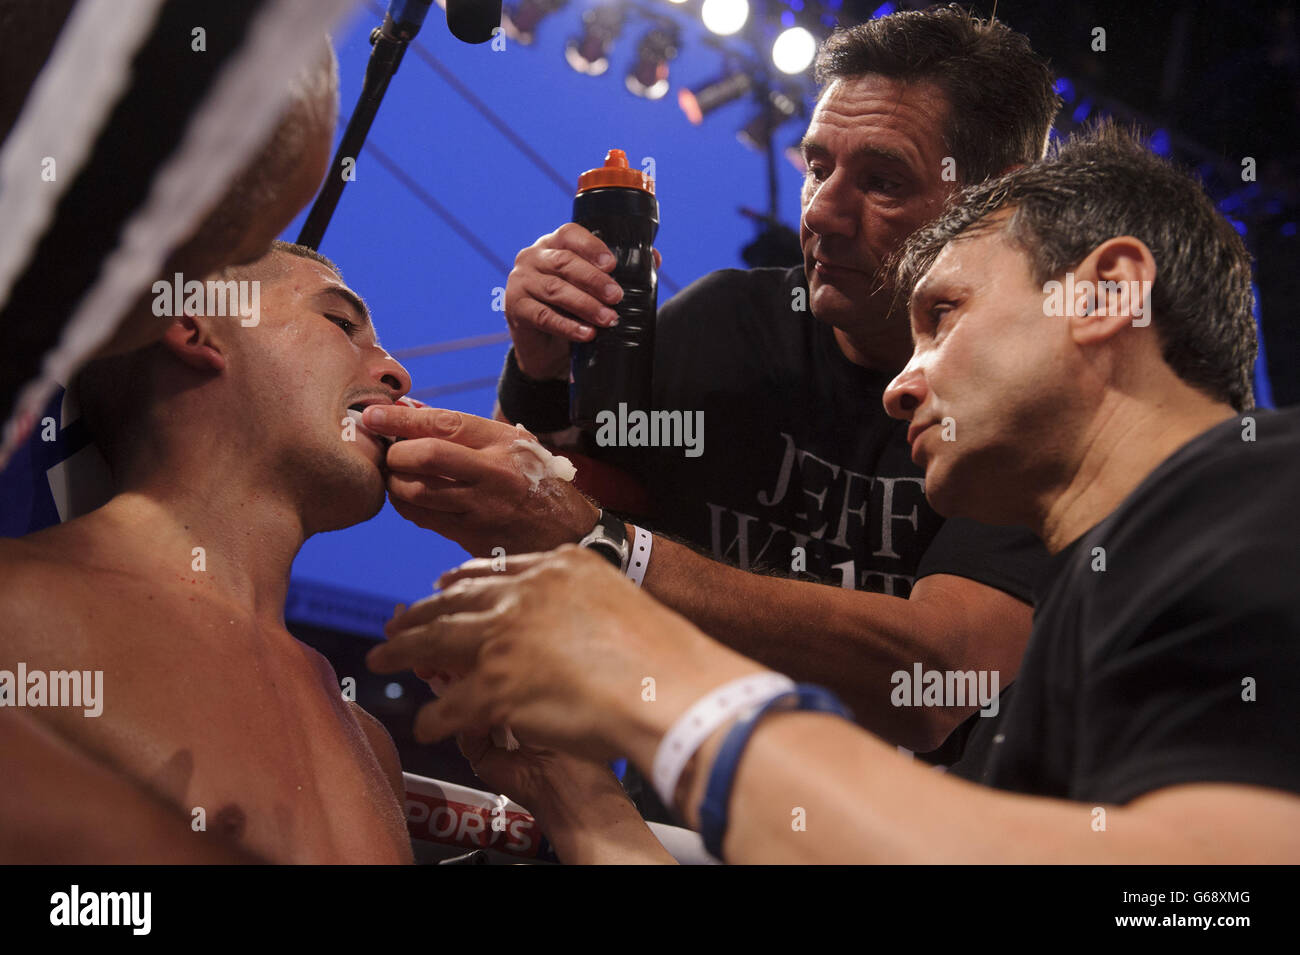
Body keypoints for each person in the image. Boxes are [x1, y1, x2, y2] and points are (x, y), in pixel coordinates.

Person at [367, 124, 1300, 863]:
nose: (902, 381)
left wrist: (684, 691)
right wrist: (585, 804)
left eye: (943, 315)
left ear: (1104, 296)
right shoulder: (1086, 620)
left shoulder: (1263, 498)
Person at [373, 6, 1061, 755]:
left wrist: (606, 547)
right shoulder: (726, 323)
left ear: (999, 201)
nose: (823, 211)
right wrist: (539, 368)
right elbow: (528, 545)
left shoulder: (1036, 402)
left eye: (883, 180)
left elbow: (935, 680)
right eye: (818, 165)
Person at [0, 242, 673, 864]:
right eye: (342, 324)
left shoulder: (365, 740)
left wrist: (581, 799)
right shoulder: (18, 621)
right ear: (193, 325)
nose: (396, 370)